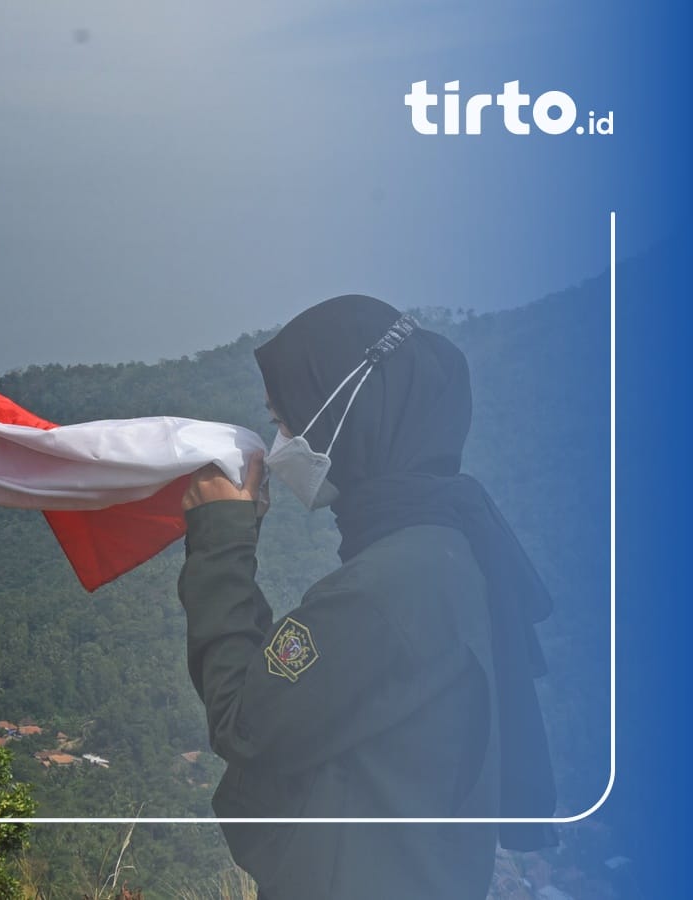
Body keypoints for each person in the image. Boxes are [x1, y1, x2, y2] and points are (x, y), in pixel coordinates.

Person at [177, 295, 555, 899]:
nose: (279, 449)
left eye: (284, 423)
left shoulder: (382, 591)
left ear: (346, 422)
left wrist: (221, 539)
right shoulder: (451, 546)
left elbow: (245, 719)